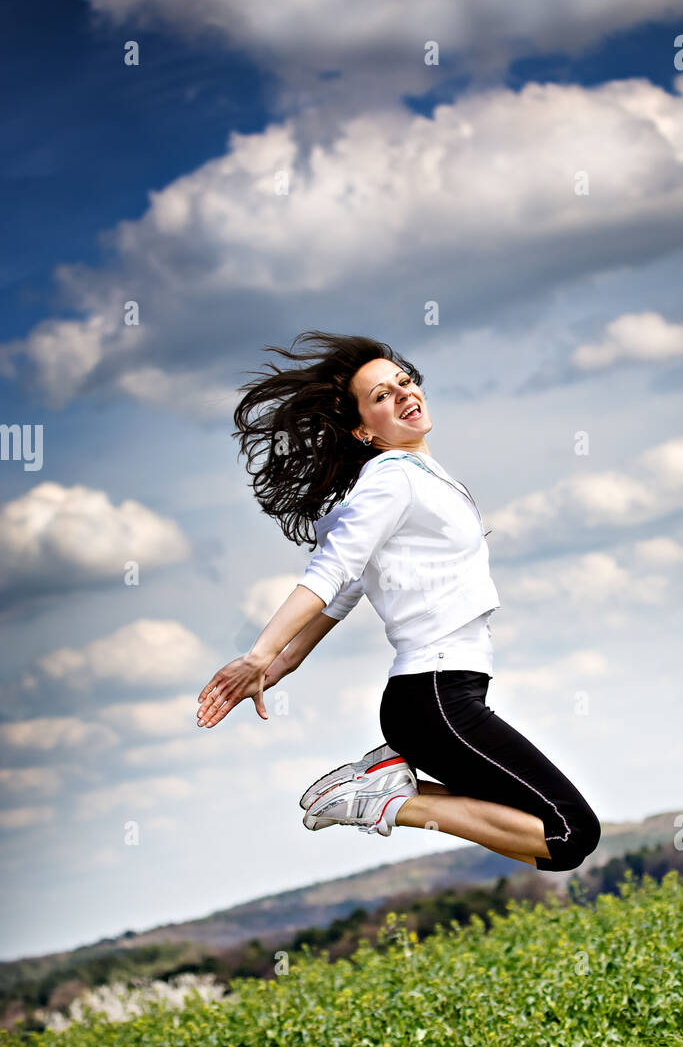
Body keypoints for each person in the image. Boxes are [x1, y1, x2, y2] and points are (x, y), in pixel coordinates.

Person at [197, 331, 601, 872]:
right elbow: (330, 571)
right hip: (434, 696)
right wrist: (257, 653)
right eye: (382, 396)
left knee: (550, 848)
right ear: (362, 429)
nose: (404, 394)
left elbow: (347, 592)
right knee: (570, 833)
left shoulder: (420, 476)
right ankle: (390, 803)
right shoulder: (391, 481)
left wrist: (282, 661)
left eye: (404, 382)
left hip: (442, 696)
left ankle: (379, 789)